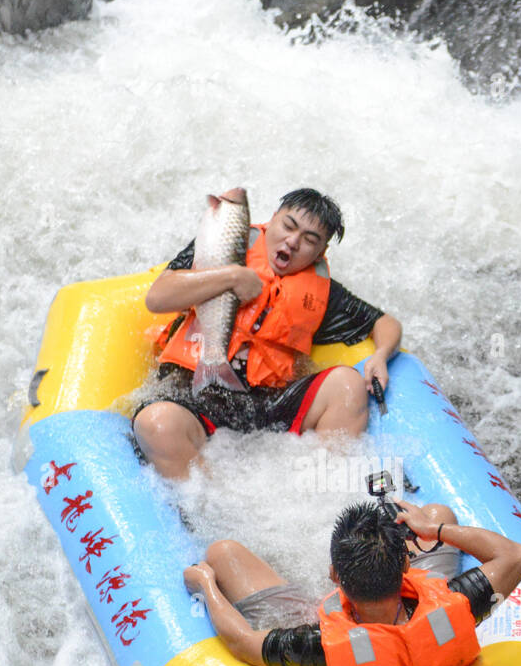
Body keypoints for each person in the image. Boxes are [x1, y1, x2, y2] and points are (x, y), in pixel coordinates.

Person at [133, 188, 403, 478]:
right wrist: (232, 276)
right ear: (273, 219)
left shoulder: (322, 295)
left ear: (320, 252)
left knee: (348, 384)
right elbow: (157, 298)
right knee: (156, 424)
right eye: (288, 226)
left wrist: (381, 355)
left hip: (268, 406)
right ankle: (212, 509)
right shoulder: (222, 248)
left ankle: (322, 493)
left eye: (310, 240)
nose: (293, 241)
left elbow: (385, 323)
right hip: (194, 395)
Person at [183, 498, 521, 666]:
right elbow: (517, 556)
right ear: (407, 565)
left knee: (223, 551)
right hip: (422, 634)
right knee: (438, 512)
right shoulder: (460, 605)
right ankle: (430, 527)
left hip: (337, 635)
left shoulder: (320, 649)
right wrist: (434, 531)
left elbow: (241, 642)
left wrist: (207, 584)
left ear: (334, 576)